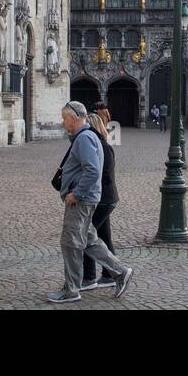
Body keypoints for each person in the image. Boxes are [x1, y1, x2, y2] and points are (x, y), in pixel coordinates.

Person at [47, 102, 132, 303]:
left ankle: (72, 290)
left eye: (65, 118)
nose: (63, 122)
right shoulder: (88, 136)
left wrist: (76, 194)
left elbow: (92, 170)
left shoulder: (84, 138)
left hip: (81, 201)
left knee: (70, 243)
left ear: (74, 118)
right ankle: (120, 272)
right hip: (87, 199)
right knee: (89, 240)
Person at [81, 113, 121, 290]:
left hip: (101, 199)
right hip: (109, 198)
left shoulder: (96, 146)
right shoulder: (105, 145)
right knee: (104, 236)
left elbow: (92, 173)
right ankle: (109, 275)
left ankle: (89, 277)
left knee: (85, 235)